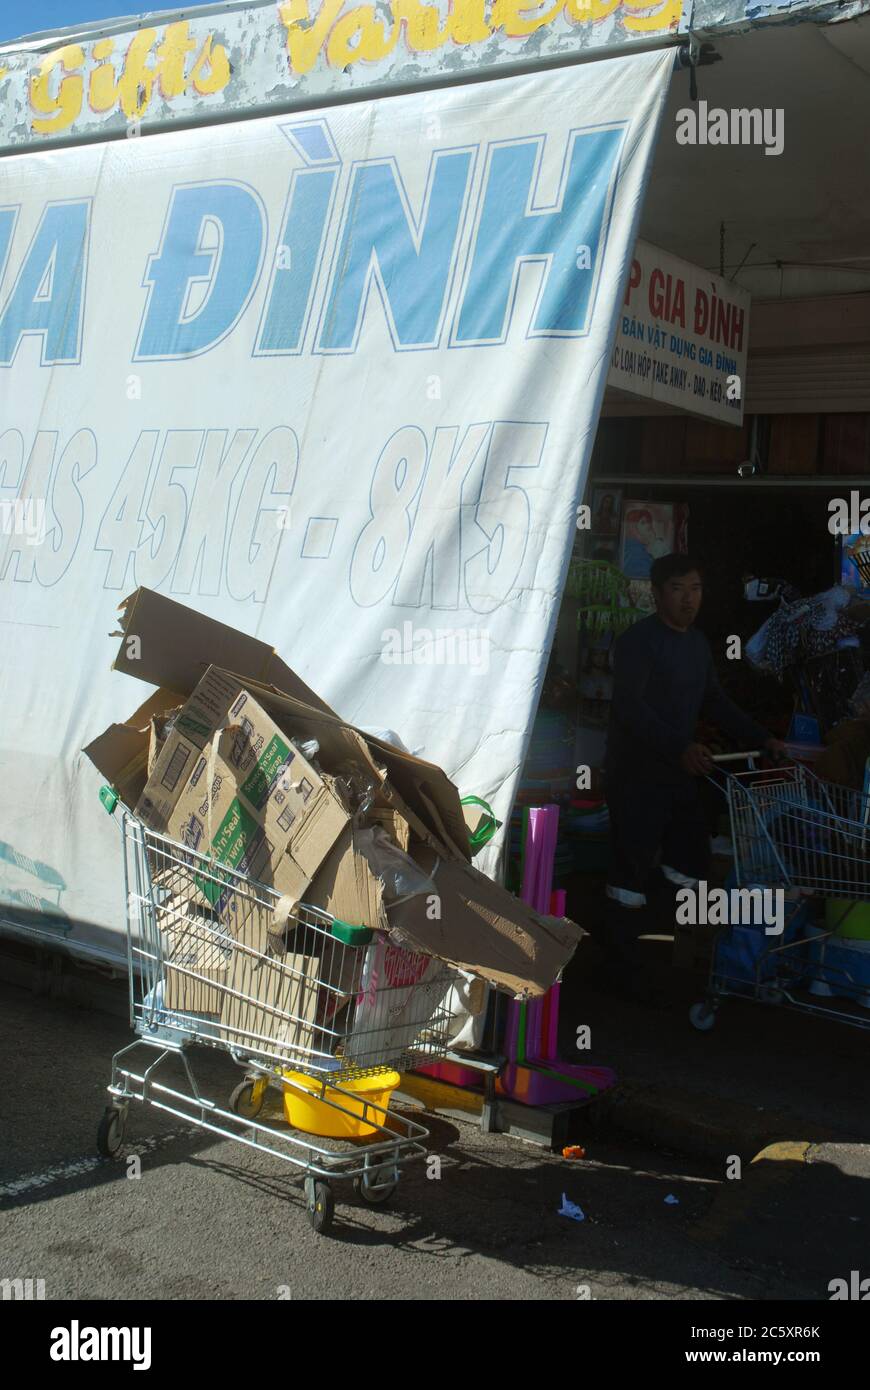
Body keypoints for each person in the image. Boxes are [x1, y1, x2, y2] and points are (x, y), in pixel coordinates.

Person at [603, 553, 786, 1003]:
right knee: (630, 872)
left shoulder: (699, 646)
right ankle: (620, 972)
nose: (690, 599)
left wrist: (764, 738)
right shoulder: (638, 642)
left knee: (690, 862)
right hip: (636, 775)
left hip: (678, 776)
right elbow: (632, 710)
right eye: (679, 589)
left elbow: (716, 702)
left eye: (697, 589)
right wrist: (678, 747)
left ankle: (663, 954)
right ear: (658, 592)